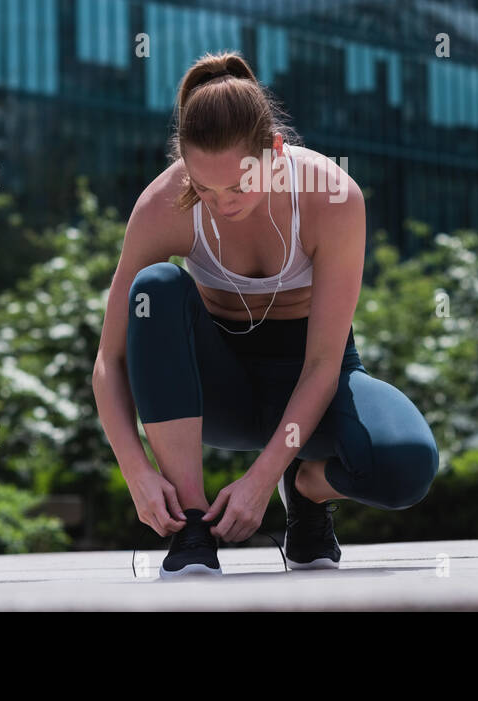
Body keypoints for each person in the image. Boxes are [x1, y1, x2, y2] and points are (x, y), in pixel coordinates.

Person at [90, 50, 439, 578]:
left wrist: (263, 478)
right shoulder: (163, 204)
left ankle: (305, 492)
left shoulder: (334, 199)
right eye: (203, 189)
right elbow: (109, 362)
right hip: (215, 391)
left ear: (274, 151)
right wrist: (134, 469)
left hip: (310, 384)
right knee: (155, 287)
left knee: (405, 467)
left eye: (236, 186)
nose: (220, 202)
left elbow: (324, 364)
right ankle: (191, 527)